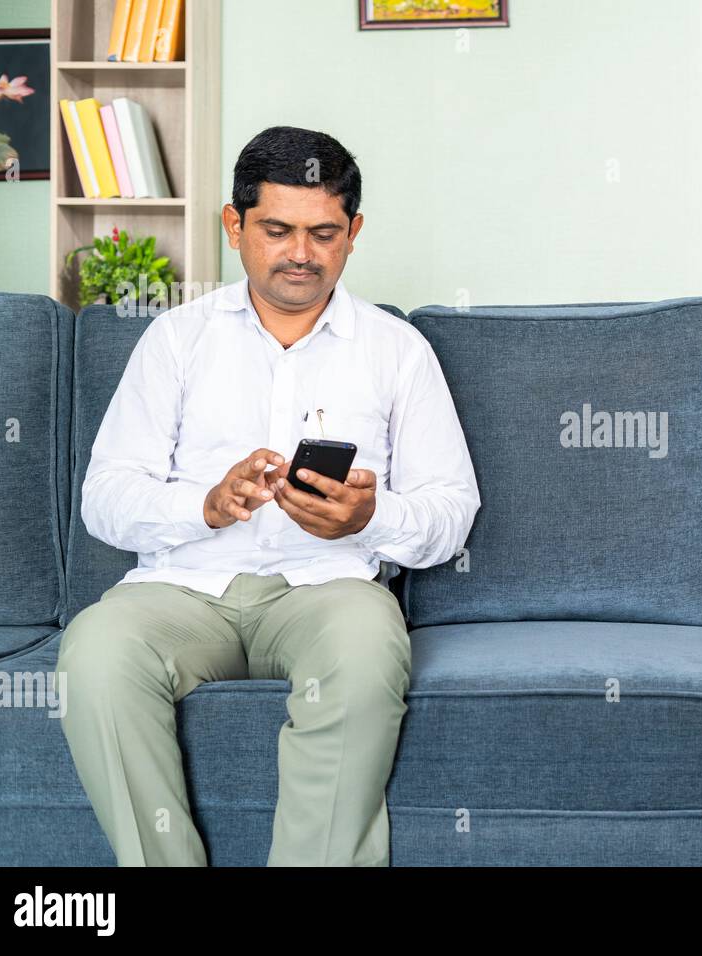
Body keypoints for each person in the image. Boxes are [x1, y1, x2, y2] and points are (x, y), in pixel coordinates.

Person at [56, 126, 480, 866]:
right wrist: (206, 505)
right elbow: (106, 497)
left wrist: (372, 515)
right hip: (182, 591)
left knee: (364, 649)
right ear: (234, 225)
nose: (300, 254)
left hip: (327, 592)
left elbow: (452, 509)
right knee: (93, 652)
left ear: (353, 233)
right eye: (277, 230)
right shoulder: (175, 339)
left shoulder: (397, 351)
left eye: (323, 233)